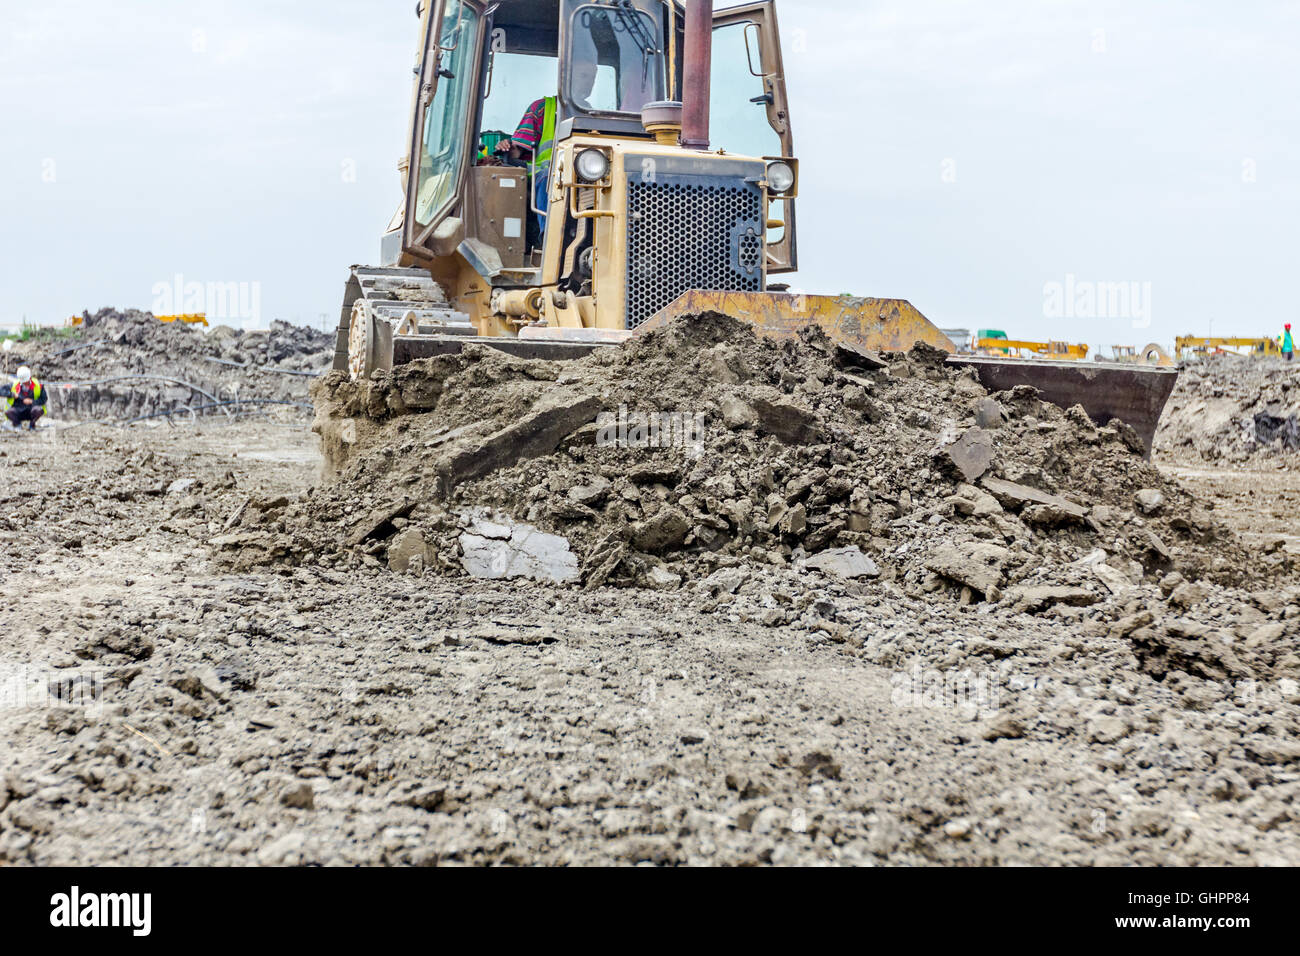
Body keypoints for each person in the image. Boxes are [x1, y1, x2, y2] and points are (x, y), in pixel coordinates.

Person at [3, 366, 47, 430]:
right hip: (18, 411)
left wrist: (32, 401)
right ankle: (17, 425)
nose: (25, 383)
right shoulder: (14, 385)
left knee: (38, 409)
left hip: (32, 410)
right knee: (9, 412)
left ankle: (32, 425)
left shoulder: (38, 385)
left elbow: (44, 399)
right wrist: (12, 394)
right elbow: (1, 390)